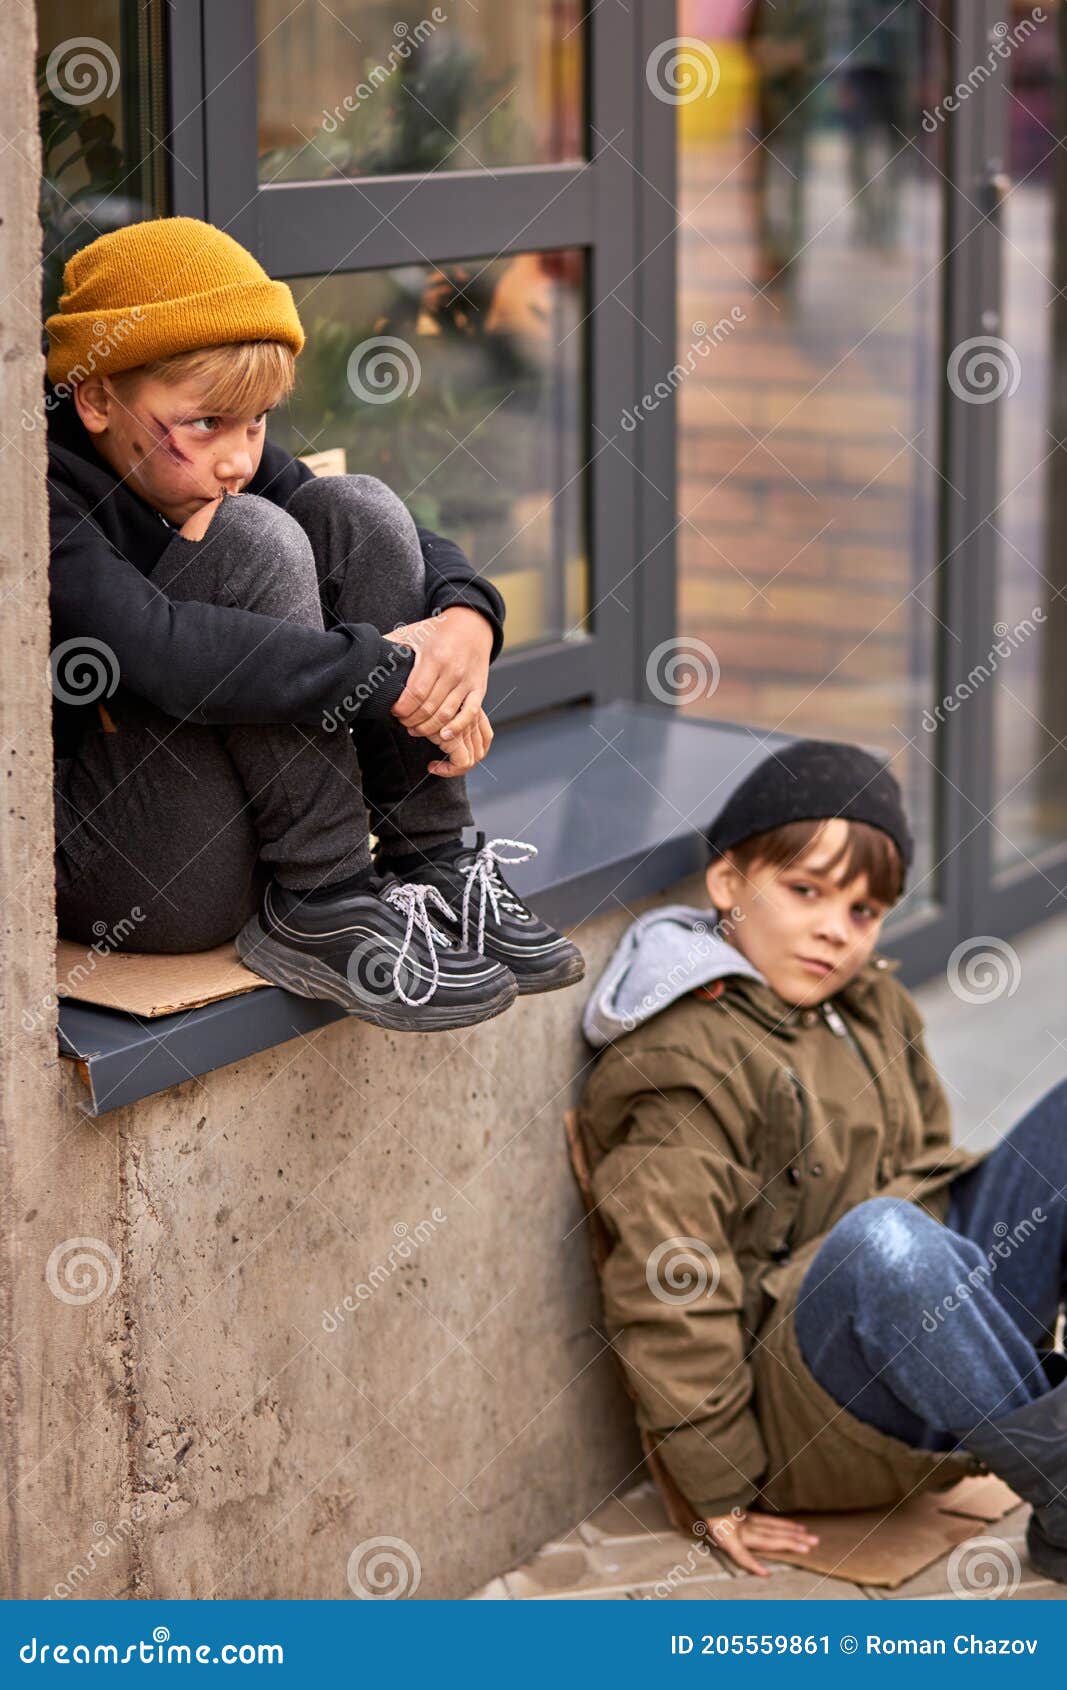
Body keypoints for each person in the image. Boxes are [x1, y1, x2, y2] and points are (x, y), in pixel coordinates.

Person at [45, 215, 584, 1032]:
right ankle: (323, 894)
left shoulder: (222, 457)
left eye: (256, 423)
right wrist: (393, 676)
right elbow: (158, 651)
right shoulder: (36, 488)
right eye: (206, 426)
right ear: (95, 396)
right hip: (128, 867)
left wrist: (466, 620)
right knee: (254, 537)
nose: (238, 458)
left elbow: (376, 532)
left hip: (225, 832)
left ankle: (428, 862)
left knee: (354, 505)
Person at [577, 738, 1067, 1580]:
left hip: (926, 1337)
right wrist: (717, 1485)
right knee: (886, 1239)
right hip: (807, 1414)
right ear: (727, 884)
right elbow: (668, 1278)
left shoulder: (867, 1003)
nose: (834, 932)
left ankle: (1026, 1423)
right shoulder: (688, 1056)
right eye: (805, 892)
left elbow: (927, 1171)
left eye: (863, 911)